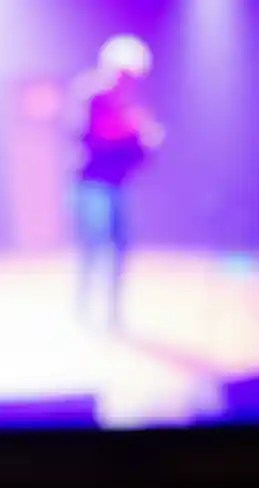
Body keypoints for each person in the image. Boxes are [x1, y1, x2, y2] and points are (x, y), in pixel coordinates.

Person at [67, 34, 164, 331]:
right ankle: (84, 311)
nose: (129, 82)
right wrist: (129, 130)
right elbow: (84, 134)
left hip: (117, 186)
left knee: (119, 248)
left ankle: (112, 314)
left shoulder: (131, 111)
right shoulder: (91, 96)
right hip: (91, 186)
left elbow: (138, 157)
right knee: (94, 246)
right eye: (126, 75)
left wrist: (146, 142)